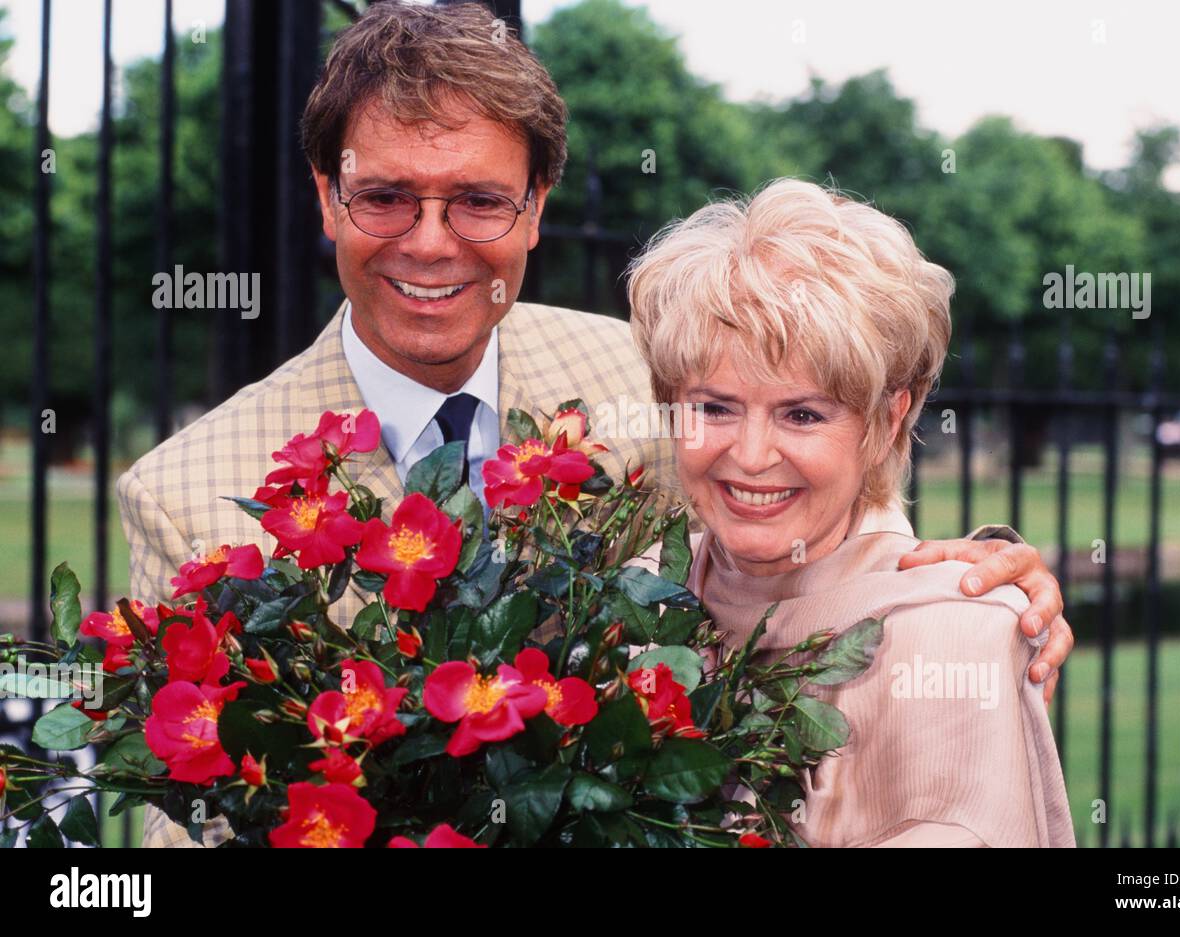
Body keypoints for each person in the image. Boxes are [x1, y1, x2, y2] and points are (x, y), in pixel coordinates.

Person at [121, 4, 1071, 847]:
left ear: (536, 209)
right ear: (329, 198)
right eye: (386, 196)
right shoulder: (183, 494)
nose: (429, 240)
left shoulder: (644, 375)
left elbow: (830, 516)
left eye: (481, 200)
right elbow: (190, 819)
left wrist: (981, 594)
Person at [626, 178, 1076, 846]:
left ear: (888, 421)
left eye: (802, 413)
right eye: (714, 407)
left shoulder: (958, 637)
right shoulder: (631, 600)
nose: (750, 456)